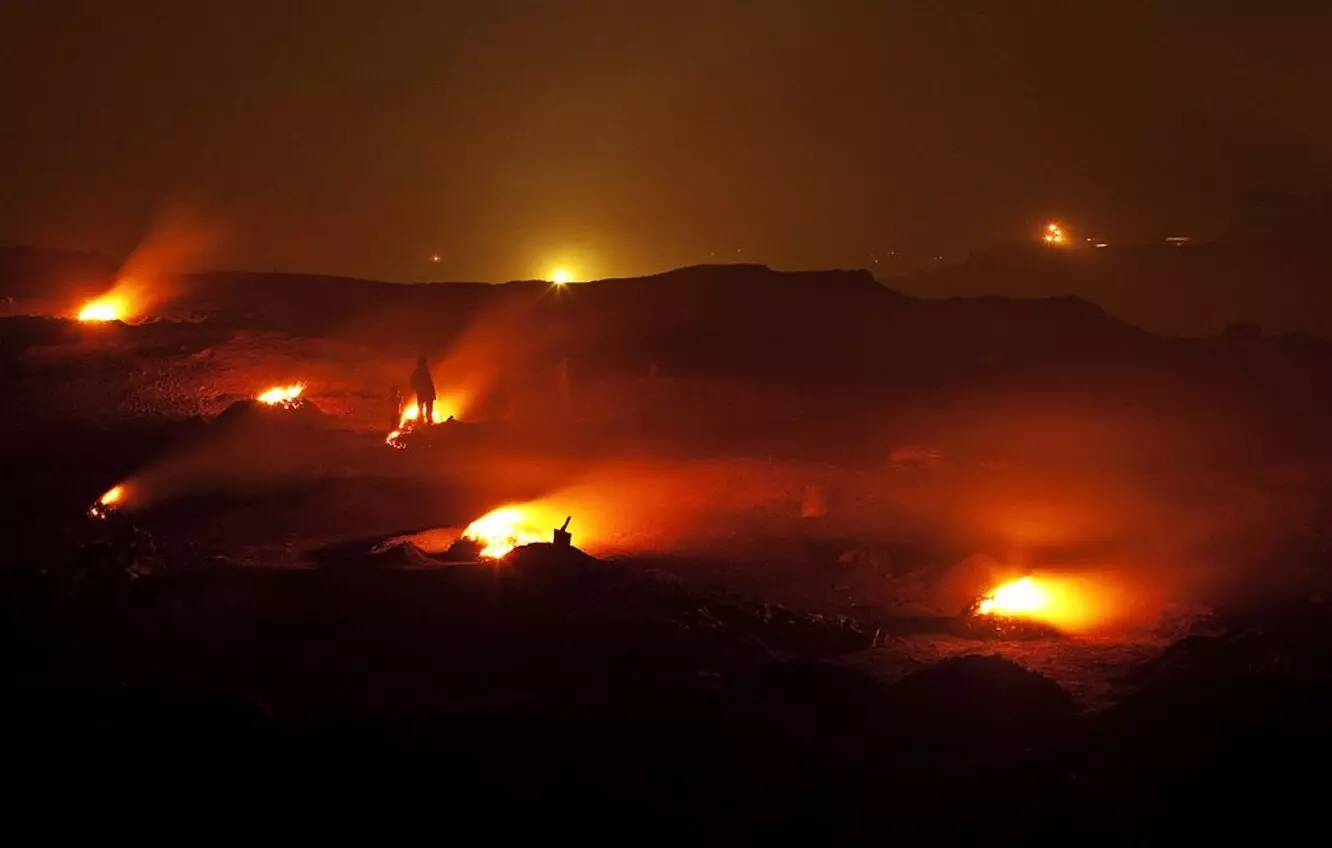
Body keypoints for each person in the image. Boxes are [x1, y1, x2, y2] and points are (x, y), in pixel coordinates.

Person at [409, 356, 436, 424]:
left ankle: (424, 421)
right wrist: (419, 389)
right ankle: (424, 421)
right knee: (424, 407)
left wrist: (418, 389)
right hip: (425, 393)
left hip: (424, 393)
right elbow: (429, 383)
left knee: (423, 407)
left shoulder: (420, 372)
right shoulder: (421, 372)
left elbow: (429, 383)